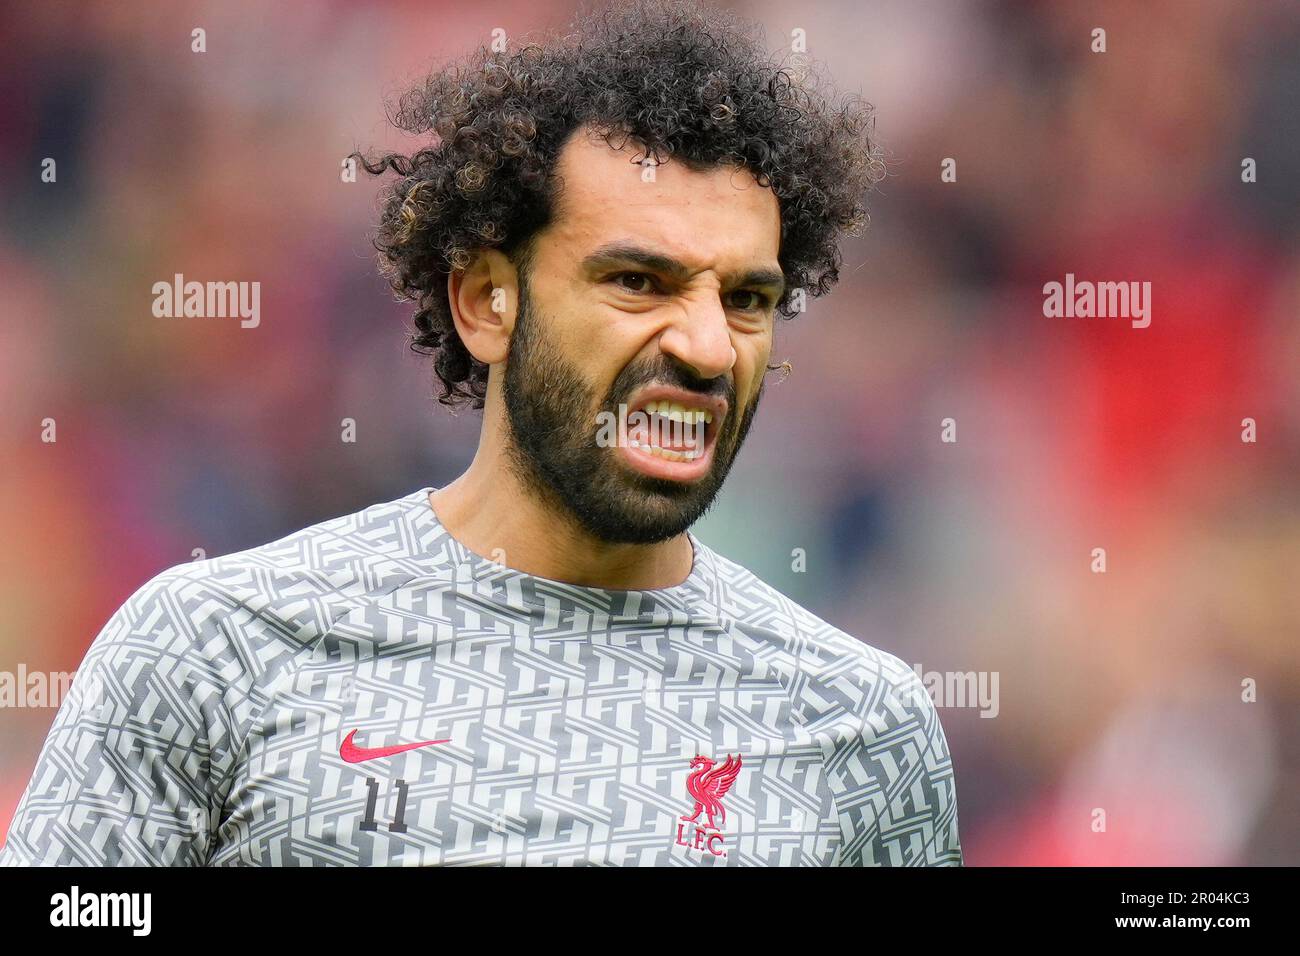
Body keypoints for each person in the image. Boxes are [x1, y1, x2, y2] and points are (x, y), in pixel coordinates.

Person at [1, 0, 961, 866]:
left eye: (748, 298)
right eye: (639, 282)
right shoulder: (213, 654)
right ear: (484, 302)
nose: (710, 346)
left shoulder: (861, 729)